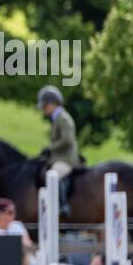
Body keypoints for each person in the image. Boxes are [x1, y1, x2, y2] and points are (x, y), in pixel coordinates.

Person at [36, 86, 83, 218]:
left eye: (45, 107)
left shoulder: (63, 118)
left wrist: (50, 148)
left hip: (66, 160)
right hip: (59, 157)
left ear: (52, 104)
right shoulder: (56, 118)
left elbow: (67, 141)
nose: (44, 110)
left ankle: (63, 206)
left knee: (53, 175)